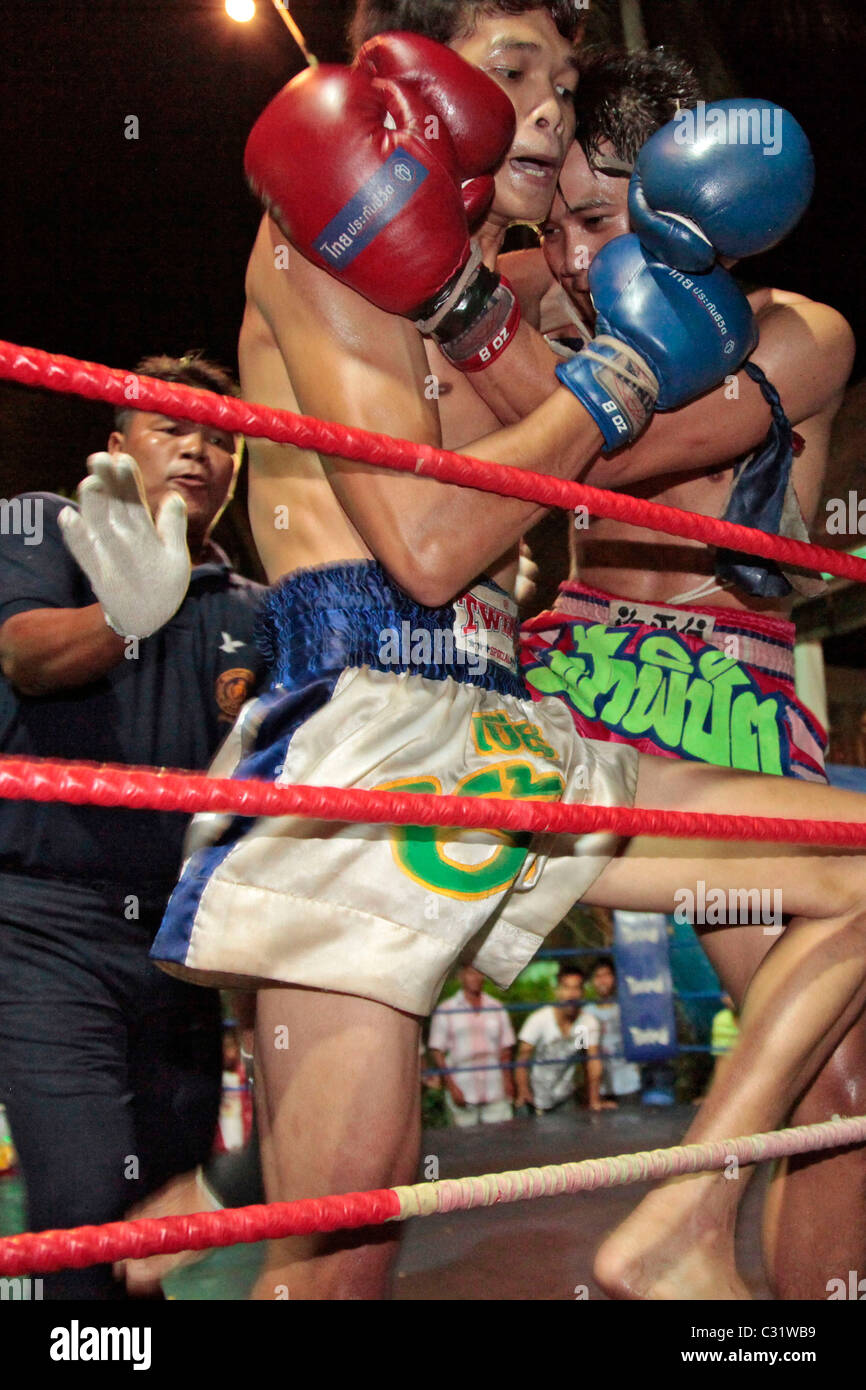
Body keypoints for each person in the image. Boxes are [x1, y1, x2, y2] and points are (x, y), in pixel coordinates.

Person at [105, 8, 866, 1303]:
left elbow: (591, 450)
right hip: (364, 725)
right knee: (342, 1242)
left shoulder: (515, 284)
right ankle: (219, 1192)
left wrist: (617, 340)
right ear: (411, 83)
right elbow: (432, 540)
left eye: (563, 85)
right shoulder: (330, 240)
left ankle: (683, 1218)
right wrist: (607, 368)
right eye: (518, 76)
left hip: (512, 719)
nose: (553, 112)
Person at [501, 47, 860, 1298]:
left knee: (838, 1085)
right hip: (581, 685)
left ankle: (737, 1289)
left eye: (598, 221)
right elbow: (403, 286)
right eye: (552, 230)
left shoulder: (801, 334)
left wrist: (538, 374)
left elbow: (634, 453)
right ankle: (681, 1225)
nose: (569, 258)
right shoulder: (545, 300)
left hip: (736, 709)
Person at [0, 353, 267, 1299]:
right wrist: (124, 614)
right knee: (77, 1206)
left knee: (154, 1221)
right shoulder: (46, 528)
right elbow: (24, 656)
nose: (200, 450)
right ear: (117, 448)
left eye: (222, 438)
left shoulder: (255, 610)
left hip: (178, 941)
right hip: (43, 927)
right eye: (172, 429)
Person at [428, 965, 515, 1126]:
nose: (475, 978)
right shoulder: (446, 1010)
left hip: (495, 1088)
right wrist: (451, 1086)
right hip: (463, 1087)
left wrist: (508, 1081)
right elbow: (437, 1051)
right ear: (461, 976)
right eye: (471, 974)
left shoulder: (496, 1008)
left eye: (480, 973)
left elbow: (506, 1048)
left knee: (501, 1142)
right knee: (464, 1144)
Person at [515, 963, 602, 1113]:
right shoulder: (539, 1020)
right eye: (567, 987)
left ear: (582, 992)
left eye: (576, 988)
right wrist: (523, 1091)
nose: (571, 994)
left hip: (565, 1099)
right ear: (558, 991)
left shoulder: (586, 1023)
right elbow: (522, 1058)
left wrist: (593, 1100)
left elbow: (591, 1060)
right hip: (533, 1100)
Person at [581, 956, 640, 1105]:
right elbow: (580, 1048)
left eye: (607, 975)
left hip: (629, 1083)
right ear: (592, 981)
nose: (602, 981)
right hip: (599, 1087)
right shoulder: (585, 1013)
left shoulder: (627, 1008)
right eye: (598, 976)